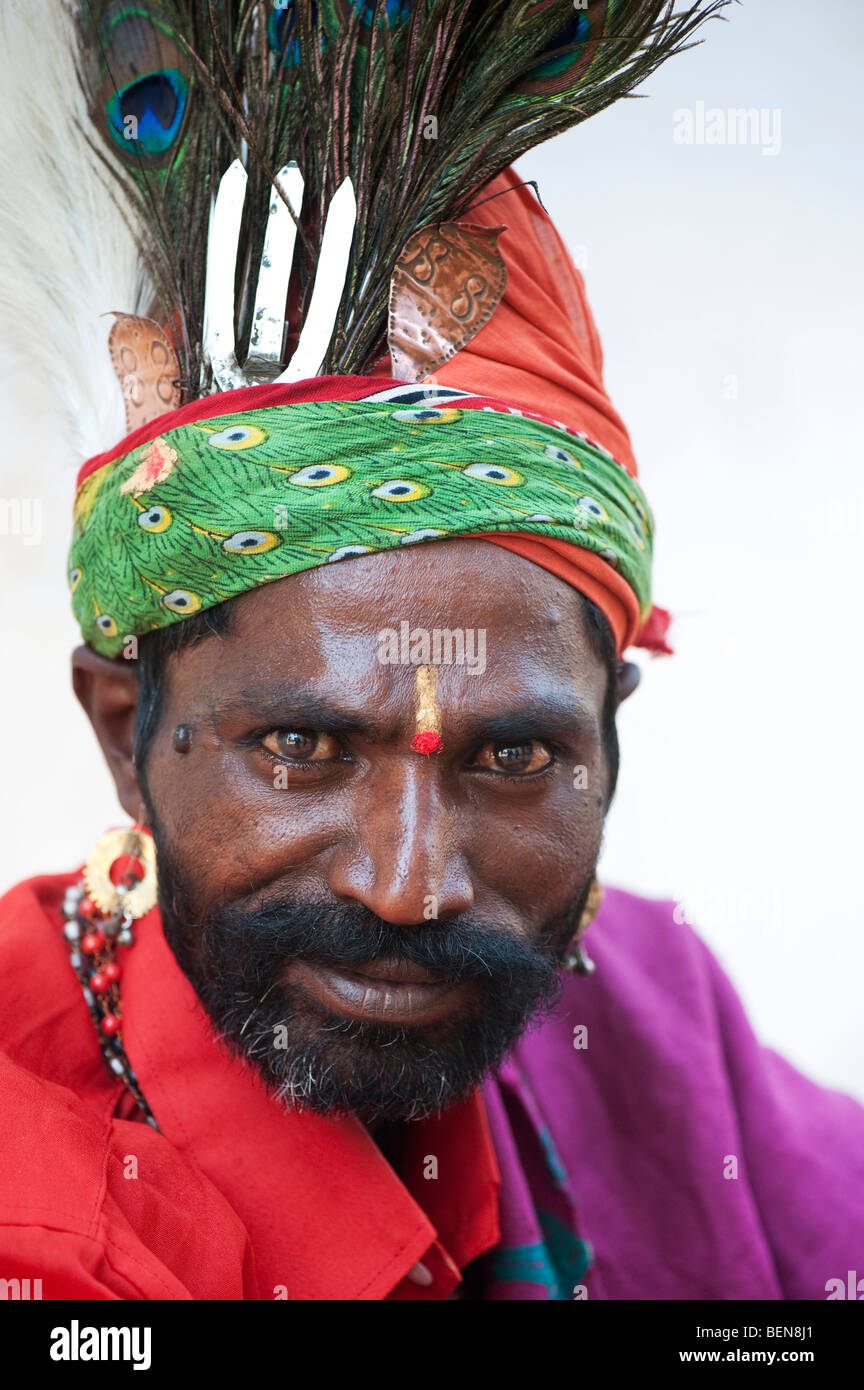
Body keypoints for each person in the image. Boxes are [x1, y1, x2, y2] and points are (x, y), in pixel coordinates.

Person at [1, 0, 861, 1301]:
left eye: (515, 753)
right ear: (125, 729)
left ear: (612, 733)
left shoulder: (650, 1009)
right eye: (301, 745)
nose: (411, 887)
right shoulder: (45, 1216)